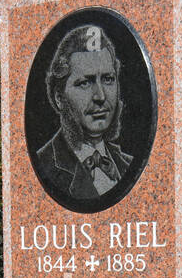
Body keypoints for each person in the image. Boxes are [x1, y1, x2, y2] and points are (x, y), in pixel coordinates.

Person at [35, 24, 133, 201]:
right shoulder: (45, 164)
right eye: (85, 83)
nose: (100, 96)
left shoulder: (128, 164)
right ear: (59, 97)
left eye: (108, 79)